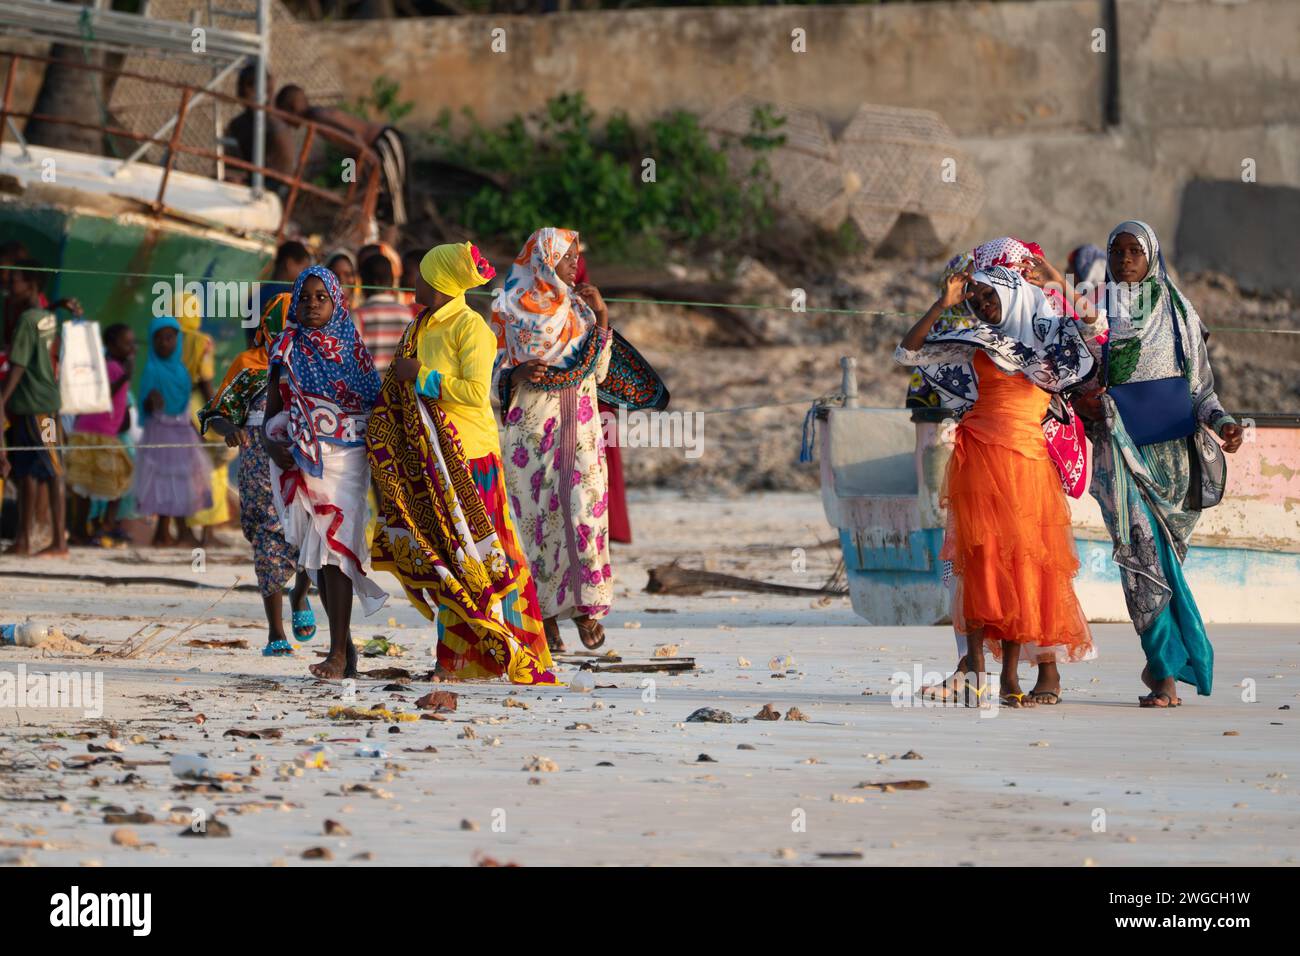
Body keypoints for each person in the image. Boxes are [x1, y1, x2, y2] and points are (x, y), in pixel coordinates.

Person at [896, 265, 1098, 706]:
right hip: (981, 464)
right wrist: (943, 304)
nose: (983, 307)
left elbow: (1093, 323)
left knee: (1025, 565)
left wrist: (1053, 279)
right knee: (981, 562)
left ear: (1012, 292)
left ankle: (1014, 677)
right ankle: (979, 675)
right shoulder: (976, 343)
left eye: (990, 297)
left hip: (1029, 469)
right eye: (976, 301)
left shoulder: (1049, 341)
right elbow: (907, 353)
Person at [1073, 220, 1243, 709]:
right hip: (1119, 454)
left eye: (1134, 251)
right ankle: (1166, 674)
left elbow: (1201, 390)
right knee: (1142, 561)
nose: (1125, 259)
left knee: (1165, 564)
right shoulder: (1095, 311)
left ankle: (1162, 662)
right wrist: (1088, 399)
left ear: (1152, 257)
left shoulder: (1177, 310)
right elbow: (1073, 379)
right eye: (1117, 251)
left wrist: (1224, 422)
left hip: (1174, 462)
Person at [370, 242, 556, 684]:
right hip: (430, 458)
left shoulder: (470, 327)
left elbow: (476, 392)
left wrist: (423, 377)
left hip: (470, 456)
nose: (413, 282)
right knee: (450, 560)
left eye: (420, 275)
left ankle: (525, 652)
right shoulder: (421, 323)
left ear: (441, 282)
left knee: (493, 557)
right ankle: (455, 659)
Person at [492, 228, 614, 653]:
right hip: (532, 434)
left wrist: (602, 316)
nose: (573, 263)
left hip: (580, 431)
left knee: (583, 511)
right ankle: (543, 618)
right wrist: (514, 375)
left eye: (576, 255)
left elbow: (598, 372)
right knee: (537, 523)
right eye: (566, 255)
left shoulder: (581, 310)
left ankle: (584, 606)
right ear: (544, 258)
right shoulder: (507, 307)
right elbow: (487, 375)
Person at [263, 265, 386, 680]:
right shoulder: (285, 348)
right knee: (315, 555)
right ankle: (344, 648)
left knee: (337, 553)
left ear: (336, 301)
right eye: (305, 297)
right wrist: (270, 444)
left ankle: (336, 652)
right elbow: (272, 413)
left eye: (321, 297)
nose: (312, 305)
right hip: (296, 462)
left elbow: (373, 410)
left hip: (347, 461)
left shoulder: (353, 351)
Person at [200, 293, 315, 657]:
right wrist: (228, 429)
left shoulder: (316, 362)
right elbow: (217, 412)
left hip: (308, 458)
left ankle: (300, 593)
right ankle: (274, 631)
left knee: (313, 530)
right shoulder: (249, 364)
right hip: (259, 461)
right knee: (267, 537)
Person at [0, 262, 71, 556]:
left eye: (14, 282)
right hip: (39, 404)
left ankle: (58, 541)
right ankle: (25, 538)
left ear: (30, 285)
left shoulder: (27, 320)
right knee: (29, 471)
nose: (8, 286)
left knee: (52, 470)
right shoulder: (46, 317)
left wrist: (2, 400)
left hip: (37, 406)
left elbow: (18, 364)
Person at [275, 85, 408, 226]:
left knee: (392, 209)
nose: (286, 123)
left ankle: (387, 246)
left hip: (384, 143)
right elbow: (349, 151)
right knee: (377, 206)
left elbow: (353, 138)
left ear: (292, 107)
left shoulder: (318, 118)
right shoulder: (316, 119)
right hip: (375, 148)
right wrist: (350, 182)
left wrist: (369, 157)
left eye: (284, 117)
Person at [133, 316, 213, 547]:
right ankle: (167, 532)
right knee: (163, 481)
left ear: (177, 340)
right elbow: (144, 404)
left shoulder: (182, 371)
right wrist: (150, 403)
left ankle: (172, 532)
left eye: (169, 338)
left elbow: (185, 403)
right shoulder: (151, 370)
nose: (164, 343)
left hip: (181, 430)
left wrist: (195, 429)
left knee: (181, 481)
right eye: (158, 339)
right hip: (159, 431)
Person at [65, 323, 136, 546]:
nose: (131, 347)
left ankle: (88, 528)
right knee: (119, 476)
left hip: (103, 432)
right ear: (112, 345)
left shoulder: (117, 366)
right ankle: (101, 525)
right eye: (127, 343)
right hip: (95, 432)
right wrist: (125, 377)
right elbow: (104, 394)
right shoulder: (111, 367)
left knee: (90, 485)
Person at [177, 296, 231, 546]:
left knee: (186, 472)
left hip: (177, 408)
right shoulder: (202, 342)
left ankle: (187, 532)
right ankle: (208, 534)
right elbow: (206, 383)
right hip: (200, 407)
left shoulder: (169, 339)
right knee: (215, 471)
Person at [222, 64, 296, 187]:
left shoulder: (275, 121)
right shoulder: (239, 124)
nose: (247, 93)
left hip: (277, 184)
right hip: (250, 180)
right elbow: (232, 163)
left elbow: (284, 166)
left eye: (251, 87)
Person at [354, 253, 413, 375]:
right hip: (397, 389)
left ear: (365, 281)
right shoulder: (407, 314)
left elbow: (353, 358)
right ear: (391, 280)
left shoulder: (358, 315)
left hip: (369, 389)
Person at [251, 241, 311, 346]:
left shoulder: (257, 294)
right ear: (290, 264)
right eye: (303, 269)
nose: (305, 276)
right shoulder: (288, 299)